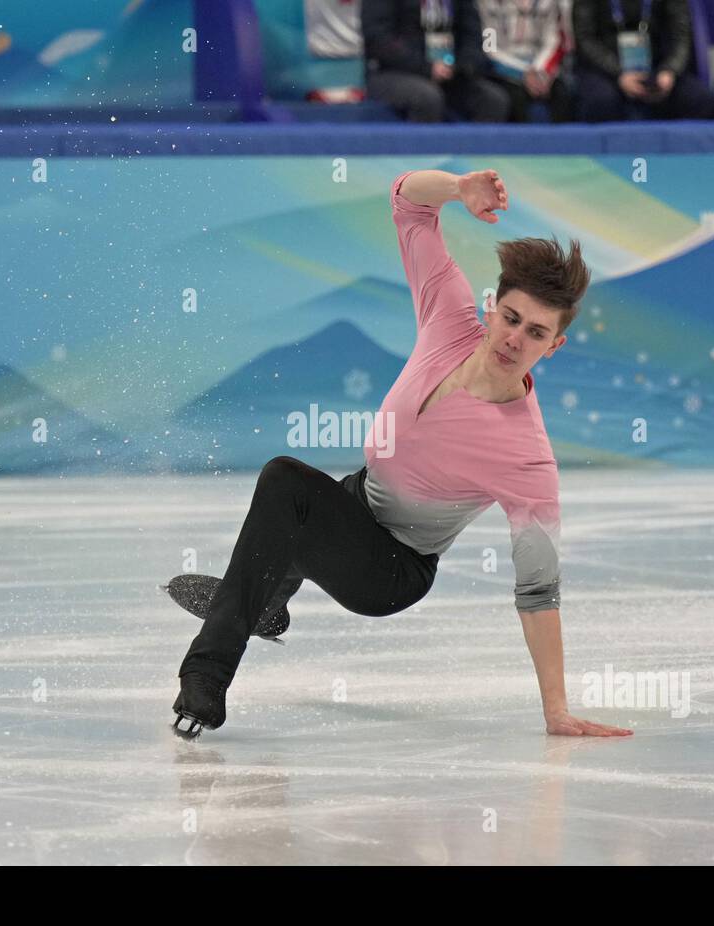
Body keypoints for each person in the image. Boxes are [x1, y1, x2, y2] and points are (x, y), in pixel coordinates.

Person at [171, 167, 634, 742]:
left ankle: (206, 675)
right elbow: (408, 204)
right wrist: (459, 187)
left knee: (285, 484)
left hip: (391, 570)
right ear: (492, 309)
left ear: (555, 344)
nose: (516, 339)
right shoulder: (449, 318)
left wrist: (556, 711)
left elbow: (538, 590)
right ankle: (264, 603)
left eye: (537, 333)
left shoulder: (527, 458)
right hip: (356, 500)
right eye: (511, 318)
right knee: (306, 508)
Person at [361, 0, 512, 122]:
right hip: (392, 72)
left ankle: (478, 157)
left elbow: (472, 35)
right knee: (427, 98)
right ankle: (421, 158)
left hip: (450, 73)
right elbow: (378, 39)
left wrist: (462, 65)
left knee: (493, 100)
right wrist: (426, 67)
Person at [571, 0, 714, 122]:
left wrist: (670, 70)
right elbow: (585, 39)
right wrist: (619, 73)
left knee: (699, 100)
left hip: (658, 67)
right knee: (601, 102)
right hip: (606, 70)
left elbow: (681, 34)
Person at [477, 0, 574, 123]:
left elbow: (553, 40)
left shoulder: (548, 3)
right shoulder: (487, 3)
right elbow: (489, 47)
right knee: (514, 97)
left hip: (539, 66)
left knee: (562, 92)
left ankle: (562, 141)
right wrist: (523, 73)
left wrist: (540, 70)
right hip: (504, 68)